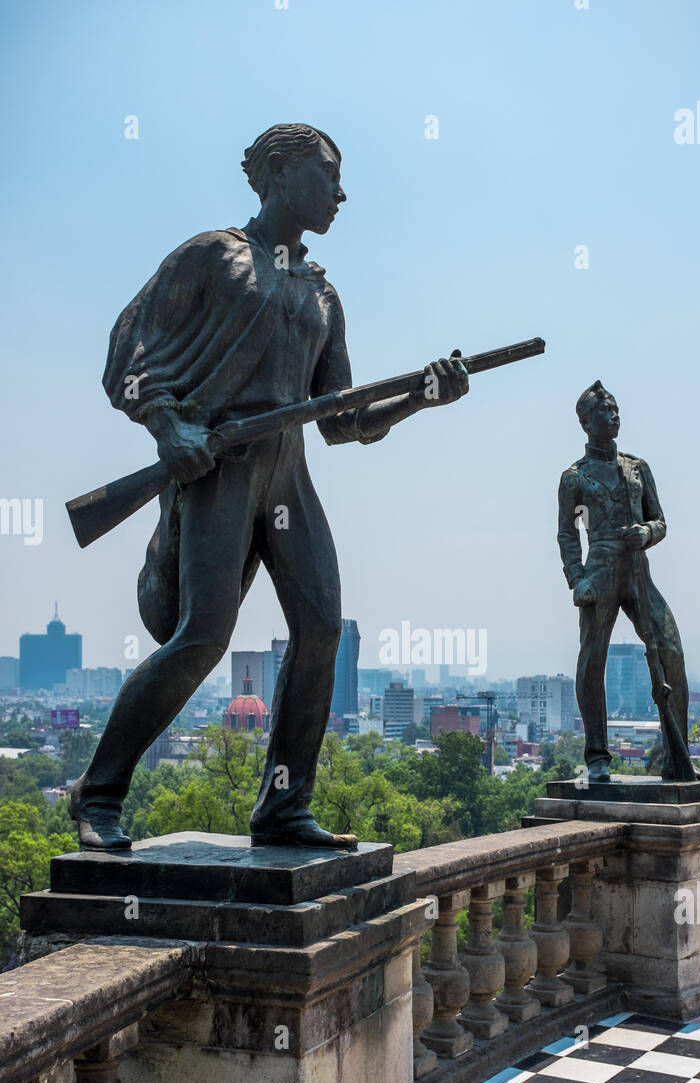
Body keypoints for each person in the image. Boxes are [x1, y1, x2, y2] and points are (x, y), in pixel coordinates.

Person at [70, 123, 468, 850]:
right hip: (220, 469)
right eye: (327, 173)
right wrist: (167, 425)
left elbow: (340, 419)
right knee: (201, 638)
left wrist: (421, 397)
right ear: (278, 174)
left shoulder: (323, 295)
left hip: (288, 472)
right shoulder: (211, 257)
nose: (341, 192)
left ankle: (284, 808)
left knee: (321, 630)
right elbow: (125, 352)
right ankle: (97, 797)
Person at [557, 381, 690, 783]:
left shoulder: (637, 468)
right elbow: (567, 533)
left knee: (672, 651)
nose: (613, 415)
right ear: (585, 421)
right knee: (592, 661)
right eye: (604, 410)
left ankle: (676, 755)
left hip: (638, 568)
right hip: (599, 569)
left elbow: (660, 521)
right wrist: (576, 579)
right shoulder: (574, 477)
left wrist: (646, 534)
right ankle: (597, 756)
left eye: (616, 409)